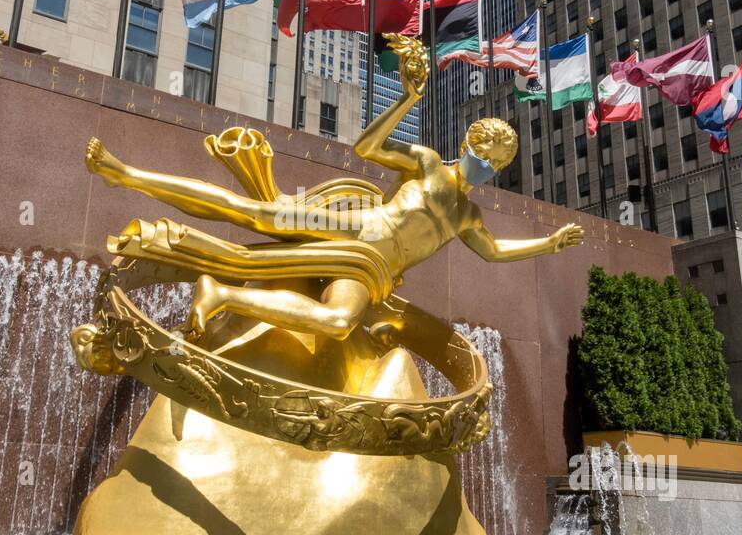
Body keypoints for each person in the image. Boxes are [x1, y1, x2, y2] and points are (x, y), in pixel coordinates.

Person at [86, 36, 583, 339]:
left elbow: (494, 253)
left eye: (495, 165)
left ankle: (222, 294)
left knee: (339, 322)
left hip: (374, 271)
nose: (486, 168)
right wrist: (408, 101)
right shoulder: (430, 164)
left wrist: (549, 243)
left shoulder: (467, 217)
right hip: (357, 226)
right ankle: (126, 174)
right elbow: (367, 148)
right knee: (256, 214)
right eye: (483, 155)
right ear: (468, 144)